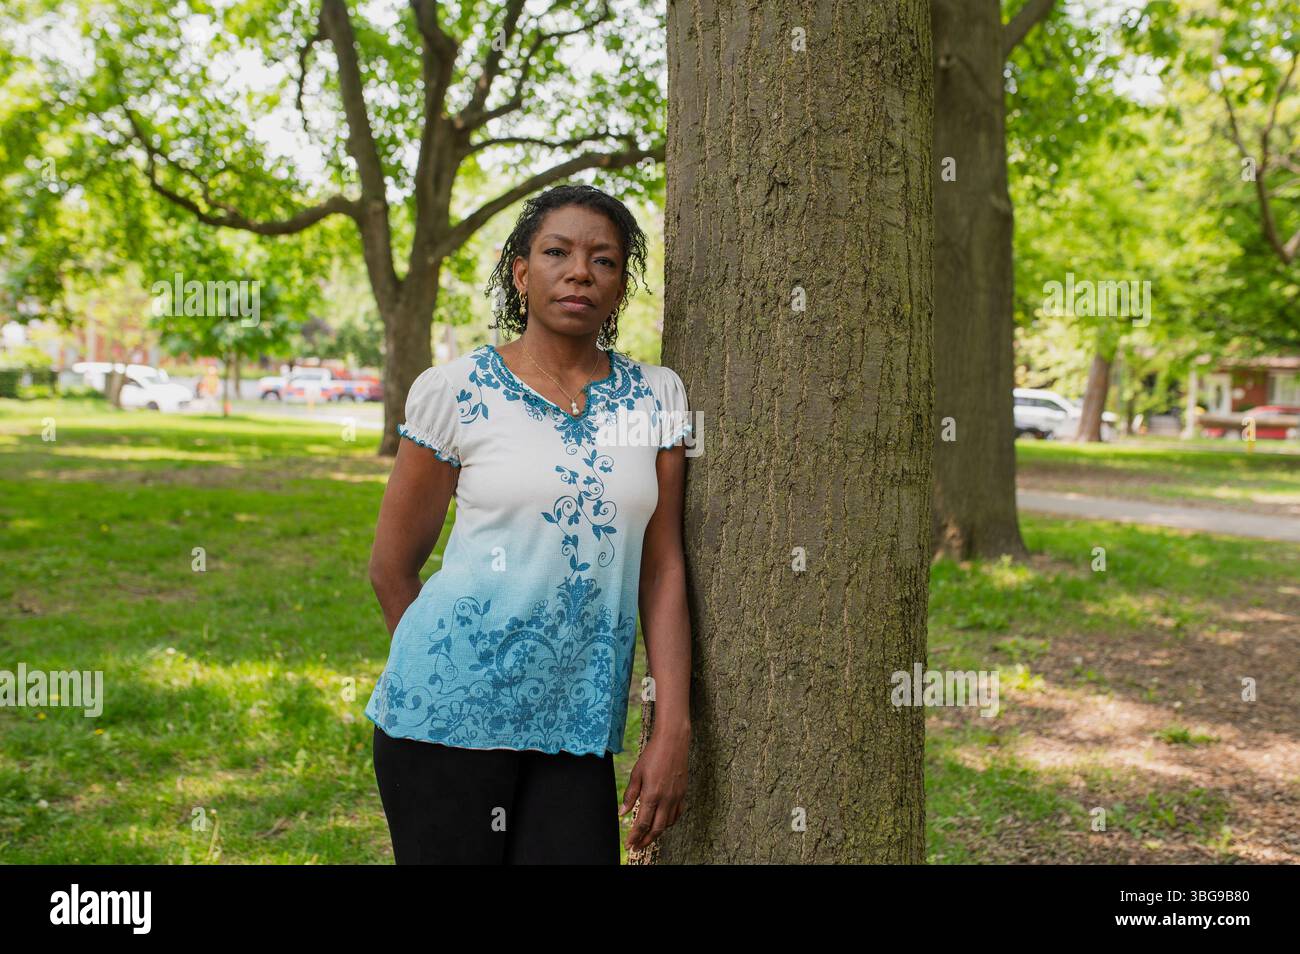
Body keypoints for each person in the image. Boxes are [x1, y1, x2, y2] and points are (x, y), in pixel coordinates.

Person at [365, 184, 693, 864]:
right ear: (520, 273)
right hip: (444, 723)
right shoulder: (456, 391)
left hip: (577, 728)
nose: (581, 272)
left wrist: (673, 727)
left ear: (619, 285)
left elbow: (662, 569)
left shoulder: (656, 397)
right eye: (557, 253)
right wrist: (455, 677)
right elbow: (391, 568)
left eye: (604, 260)